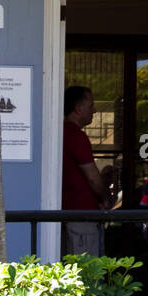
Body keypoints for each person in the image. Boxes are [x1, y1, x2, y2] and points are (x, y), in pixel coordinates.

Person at [61, 85, 107, 257]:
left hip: (65, 215)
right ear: (78, 109)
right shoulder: (76, 136)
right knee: (86, 276)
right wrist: (104, 197)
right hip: (80, 218)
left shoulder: (59, 133)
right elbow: (93, 178)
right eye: (91, 106)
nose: (94, 111)